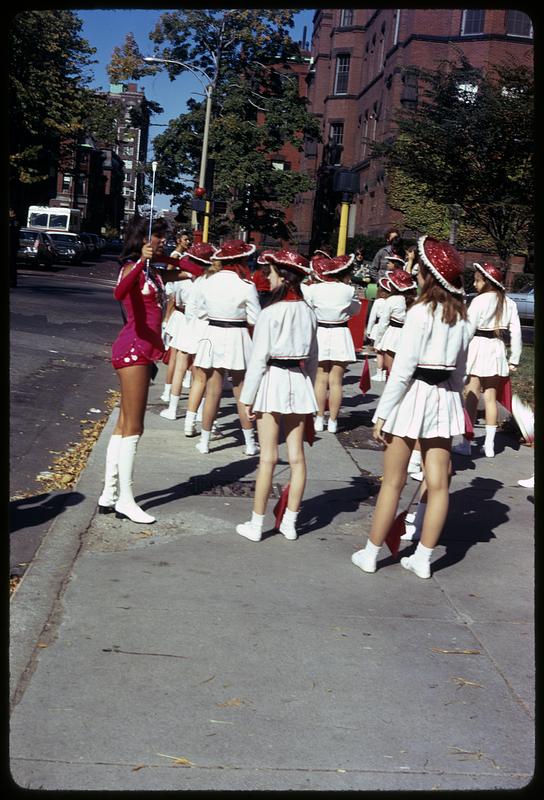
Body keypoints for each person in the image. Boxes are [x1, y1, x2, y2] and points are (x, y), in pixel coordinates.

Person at [351, 235, 470, 579]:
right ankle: (422, 558)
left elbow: (402, 371)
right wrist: (454, 404)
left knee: (393, 481)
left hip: (412, 396)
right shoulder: (462, 318)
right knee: (439, 484)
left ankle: (372, 554)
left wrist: (382, 413)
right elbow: (460, 373)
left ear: (428, 274)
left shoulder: (419, 312)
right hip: (445, 397)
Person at [98, 216, 180, 524]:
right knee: (134, 427)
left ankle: (109, 493)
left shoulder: (154, 273)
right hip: (133, 350)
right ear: (140, 238)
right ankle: (126, 499)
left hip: (143, 351)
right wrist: (141, 262)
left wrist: (160, 258)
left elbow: (192, 270)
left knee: (123, 426)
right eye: (157, 236)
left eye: (160, 236)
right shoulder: (130, 270)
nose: (161, 240)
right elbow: (120, 293)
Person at [236, 249, 318, 542]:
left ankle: (257, 524)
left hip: (271, 381)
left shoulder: (270, 313)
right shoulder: (309, 313)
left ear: (283, 277)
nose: (266, 278)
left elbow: (258, 360)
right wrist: (307, 386)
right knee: (297, 457)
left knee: (268, 456)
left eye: (270, 273)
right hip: (297, 382)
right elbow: (312, 360)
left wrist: (247, 398)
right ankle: (290, 523)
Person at [187, 239, 261, 455]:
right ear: (241, 260)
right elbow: (255, 318)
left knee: (212, 390)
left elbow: (200, 312)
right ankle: (249, 443)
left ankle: (204, 441)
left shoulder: (207, 282)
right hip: (237, 336)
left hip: (212, 334)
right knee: (242, 392)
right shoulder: (246, 286)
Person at [452, 262, 522, 458]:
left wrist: (457, 353)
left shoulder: (479, 301)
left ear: (487, 282)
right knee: (490, 398)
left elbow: (467, 331)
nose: (474, 284)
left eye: (477, 280)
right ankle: (489, 445)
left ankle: (466, 444)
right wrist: (514, 359)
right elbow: (516, 334)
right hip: (497, 349)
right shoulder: (510, 303)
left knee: (471, 395)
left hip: (477, 348)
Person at [302, 253, 361, 433]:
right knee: (336, 381)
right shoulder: (348, 290)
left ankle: (319, 418)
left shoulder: (314, 289)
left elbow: (309, 309)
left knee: (320, 379)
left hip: (320, 332)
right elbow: (355, 310)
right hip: (340, 333)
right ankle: (333, 421)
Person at [160, 243, 213, 420]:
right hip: (205, 327)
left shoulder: (184, 279)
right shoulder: (211, 282)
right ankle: (198, 412)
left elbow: (173, 297)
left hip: (186, 322)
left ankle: (173, 408)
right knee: (202, 372)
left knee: (179, 366)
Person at [160, 228, 192, 401]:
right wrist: (168, 316)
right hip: (177, 302)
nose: (188, 242)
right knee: (176, 353)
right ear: (179, 240)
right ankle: (170, 389)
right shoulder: (176, 256)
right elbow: (169, 277)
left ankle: (173, 387)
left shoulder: (183, 256)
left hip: (180, 305)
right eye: (185, 239)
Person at [371, 268, 417, 376]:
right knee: (404, 371)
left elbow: (383, 323)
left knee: (390, 370)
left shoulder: (392, 300)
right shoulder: (416, 299)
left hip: (393, 335)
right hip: (409, 335)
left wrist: (377, 342)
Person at [366, 276, 392, 382]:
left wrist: (368, 330)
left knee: (379, 351)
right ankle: (386, 372)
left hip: (378, 326)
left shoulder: (378, 302)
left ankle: (379, 372)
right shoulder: (393, 300)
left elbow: (372, 317)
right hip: (390, 326)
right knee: (386, 351)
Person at [9, 208, 20, 288]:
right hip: (12, 245)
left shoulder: (15, 222)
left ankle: (13, 281)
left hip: (12, 245)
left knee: (12, 265)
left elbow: (15, 232)